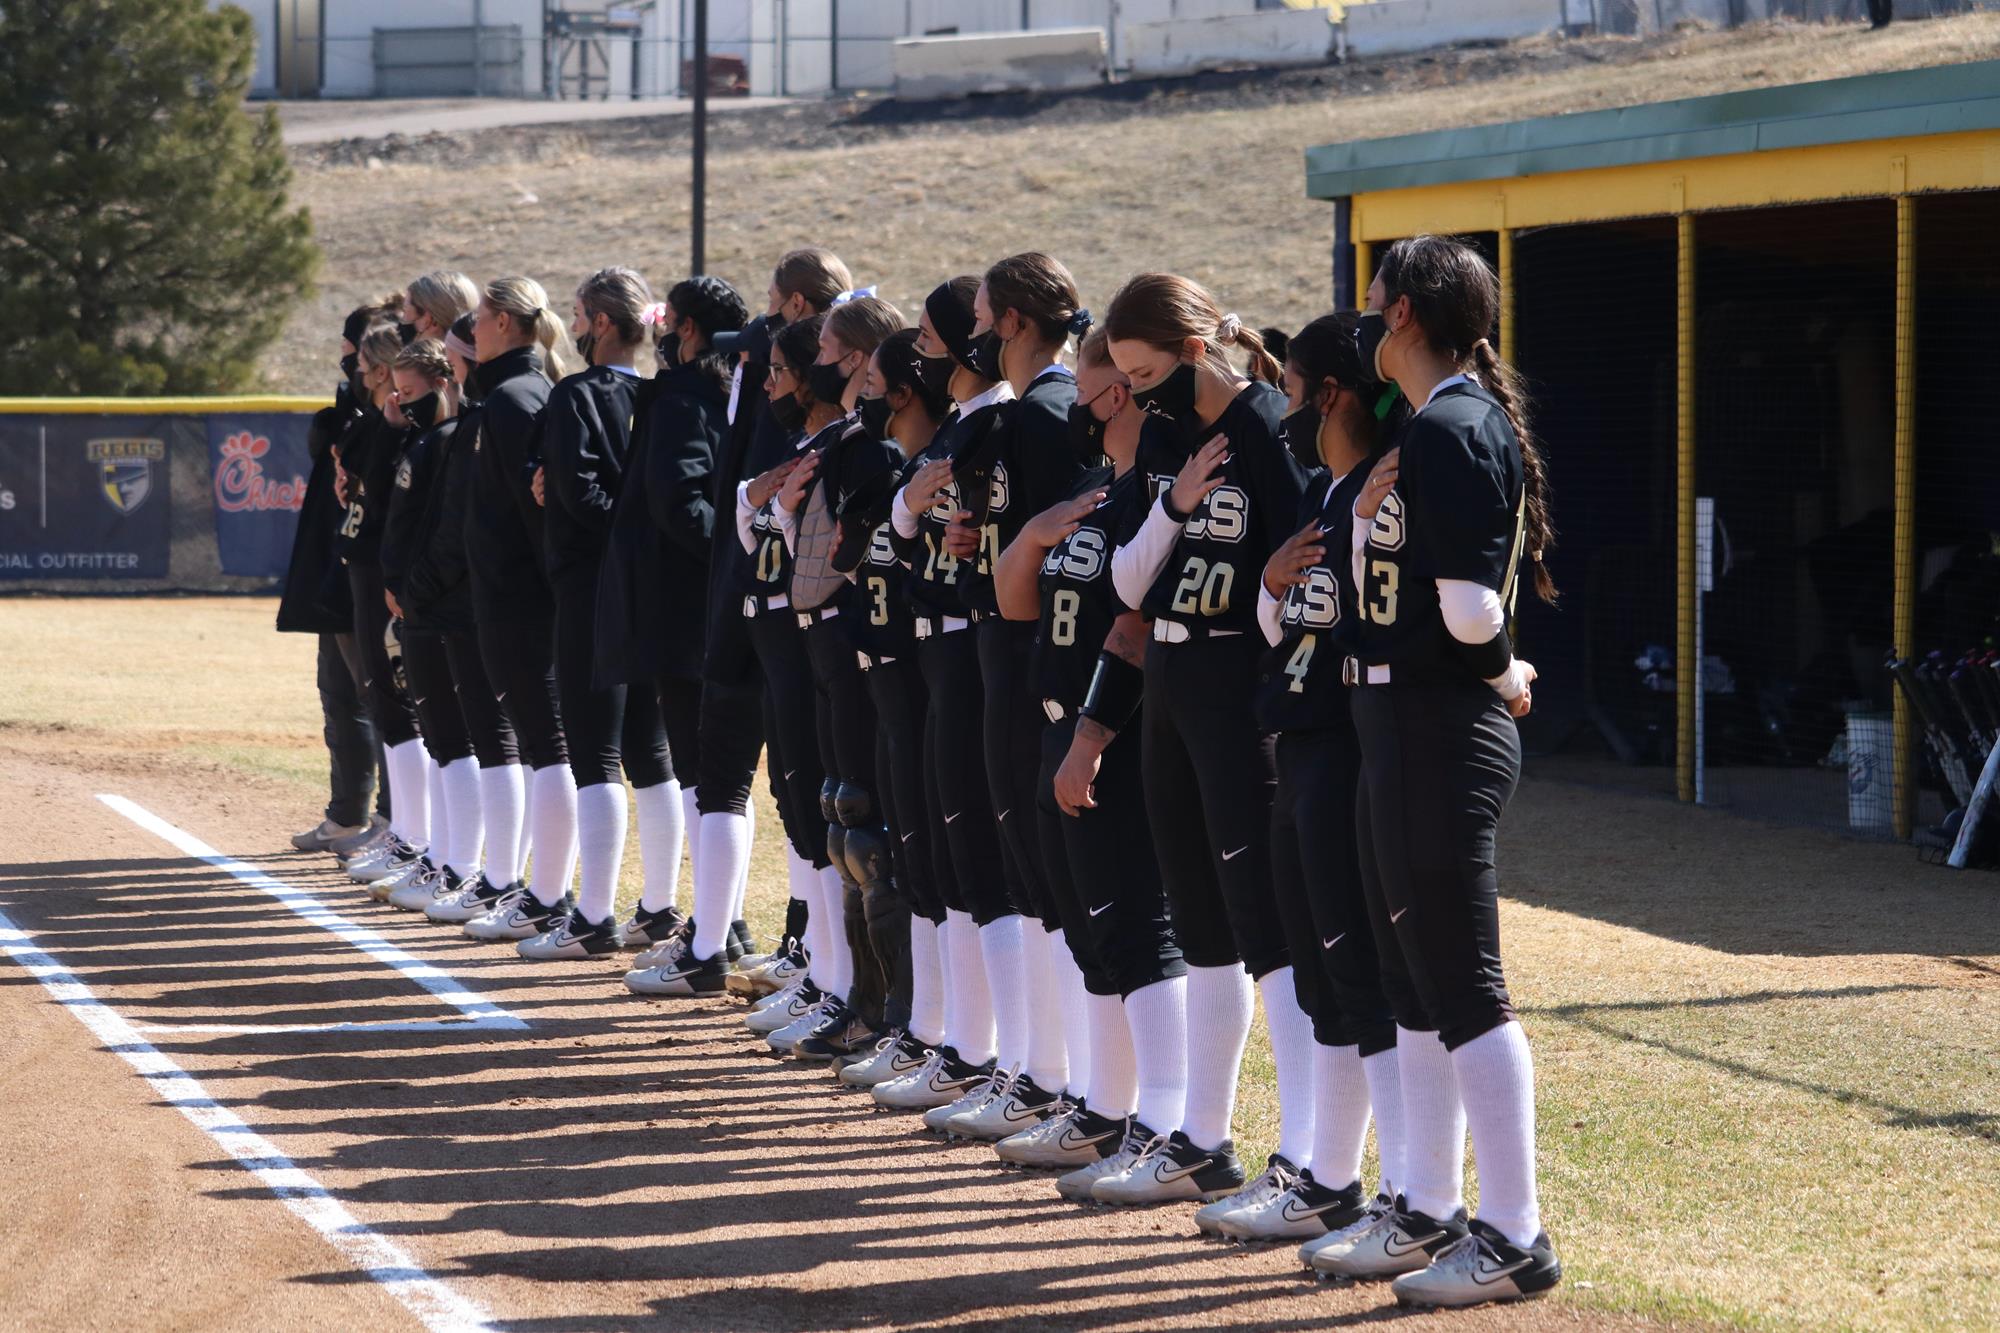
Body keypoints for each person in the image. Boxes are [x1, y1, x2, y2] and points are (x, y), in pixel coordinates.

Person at [1303, 235, 1562, 1307]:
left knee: (1460, 985)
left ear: (1404, 312)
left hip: (1433, 722)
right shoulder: (1435, 423)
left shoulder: (1453, 425)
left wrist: (1502, 675)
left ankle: (1512, 1234)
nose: (1364, 319)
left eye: (1374, 301)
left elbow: (1466, 608)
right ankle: (1421, 1204)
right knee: (1412, 984)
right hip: (1395, 722)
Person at [1100, 272, 1307, 1206]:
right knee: (1201, 923)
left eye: (1147, 372)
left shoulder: (1267, 425)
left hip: (1237, 685)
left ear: (1190, 350)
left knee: (1268, 926)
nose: (1136, 393)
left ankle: (1305, 1159)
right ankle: (1200, 1138)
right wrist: (1175, 503)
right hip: (1171, 684)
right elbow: (1127, 582)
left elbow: (1300, 575)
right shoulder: (1163, 435)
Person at [1212, 311, 1405, 1244]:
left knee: (1356, 975)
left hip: (1346, 744)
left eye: (1291, 389)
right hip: (1298, 740)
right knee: (1321, 974)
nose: (1283, 406)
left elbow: (1387, 622)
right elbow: (1287, 630)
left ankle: (1379, 1191)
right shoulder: (1329, 492)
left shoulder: (1380, 484)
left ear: (1331, 394)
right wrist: (1269, 587)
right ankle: (1322, 1175)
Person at [989, 328, 1191, 1188]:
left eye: (1094, 377)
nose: (1075, 392)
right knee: (1091, 933)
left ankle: (1169, 1123)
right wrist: (1032, 534)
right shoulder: (1094, 492)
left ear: (1120, 395)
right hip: (1056, 724)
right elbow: (1012, 599)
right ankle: (1104, 1111)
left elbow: (1135, 625)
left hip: (1113, 733)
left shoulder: (1156, 495)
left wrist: (1091, 739)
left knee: (1141, 930)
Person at [931, 253, 1092, 1140]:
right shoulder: (1025, 415)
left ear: (1020, 321)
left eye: (987, 315)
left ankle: (1058, 1080)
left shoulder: (1048, 414)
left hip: (1035, 665)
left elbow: (1076, 535)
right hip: (1004, 656)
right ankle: (1033, 1071)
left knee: (1044, 878)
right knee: (1024, 874)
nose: (976, 333)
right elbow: (1011, 537)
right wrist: (976, 538)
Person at [871, 276, 1017, 1116]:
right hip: (932, 652)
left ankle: (979, 1051)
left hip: (973, 652)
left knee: (977, 861)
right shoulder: (963, 426)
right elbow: (899, 546)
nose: (922, 352)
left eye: (933, 336)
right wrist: (906, 511)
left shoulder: (1003, 420)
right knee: (937, 855)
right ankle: (950, 1039)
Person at [611, 276, 757, 995]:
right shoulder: (732, 392)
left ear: (692, 330)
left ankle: (712, 937)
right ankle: (723, 925)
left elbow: (682, 502)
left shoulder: (679, 398)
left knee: (708, 776)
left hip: (685, 611)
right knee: (720, 776)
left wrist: (729, 558)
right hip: (710, 606)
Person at [773, 294, 907, 1061]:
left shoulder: (873, 446)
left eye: (829, 344)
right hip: (826, 645)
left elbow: (862, 557)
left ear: (857, 357)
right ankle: (857, 998)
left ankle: (888, 1010)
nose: (818, 358)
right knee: (839, 814)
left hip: (859, 647)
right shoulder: (849, 438)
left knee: (865, 824)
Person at [834, 328, 954, 1091]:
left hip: (917, 677)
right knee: (873, 842)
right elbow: (846, 556)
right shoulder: (889, 470)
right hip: (876, 676)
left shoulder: (937, 470)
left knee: (915, 861)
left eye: (872, 382)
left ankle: (927, 1027)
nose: (861, 396)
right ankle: (893, 1015)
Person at [459, 275, 583, 944]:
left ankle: (547, 896)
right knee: (543, 742)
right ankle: (545, 892)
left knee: (547, 743)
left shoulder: (513, 397)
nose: (472, 328)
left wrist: (542, 591)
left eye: (479, 316)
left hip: (523, 603)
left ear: (506, 322)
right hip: (520, 598)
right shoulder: (518, 392)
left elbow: (536, 516)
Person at [418, 313, 535, 926]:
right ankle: (483, 873)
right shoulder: (472, 422)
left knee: (501, 741)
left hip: (482, 599)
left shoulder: (494, 414)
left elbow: (466, 526)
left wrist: (417, 588)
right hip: (476, 597)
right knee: (486, 738)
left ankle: (501, 879)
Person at [376, 336, 498, 915]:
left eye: (411, 391)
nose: (402, 402)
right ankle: (447, 859)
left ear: (445, 382)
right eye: (395, 391)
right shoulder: (423, 439)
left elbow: (448, 535)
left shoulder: (451, 441)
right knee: (445, 738)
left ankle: (461, 866)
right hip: (423, 606)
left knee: (460, 738)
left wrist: (413, 590)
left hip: (444, 607)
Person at [282, 302, 386, 854]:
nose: (348, 361)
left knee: (380, 696)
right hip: (338, 564)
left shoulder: (389, 420)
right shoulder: (352, 408)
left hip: (371, 572)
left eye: (355, 352)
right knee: (338, 692)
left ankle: (393, 824)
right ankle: (348, 814)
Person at [332, 320, 431, 898]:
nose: (372, 382)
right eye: (373, 374)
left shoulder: (412, 432)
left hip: (394, 575)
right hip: (371, 568)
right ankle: (405, 834)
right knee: (385, 699)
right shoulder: (379, 426)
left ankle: (413, 835)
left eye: (382, 372)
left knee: (405, 704)